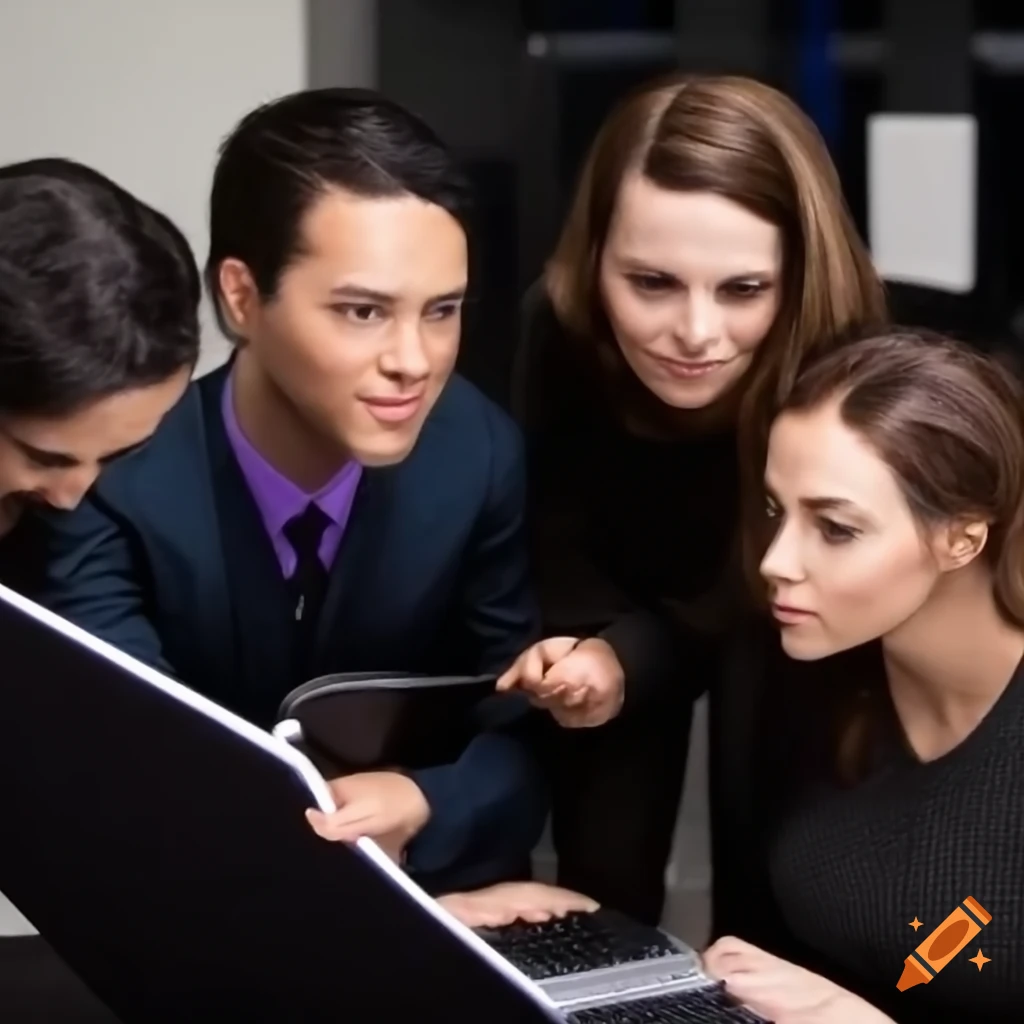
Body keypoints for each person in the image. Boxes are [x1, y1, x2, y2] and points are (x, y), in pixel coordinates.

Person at [32, 89, 546, 895]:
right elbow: (123, 749)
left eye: (442, 310)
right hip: (184, 909)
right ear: (241, 297)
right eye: (363, 311)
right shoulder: (114, 470)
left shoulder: (478, 454)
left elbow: (522, 735)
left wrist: (426, 801)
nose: (414, 361)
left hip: (430, 909)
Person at [498, 72, 887, 923]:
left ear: (797, 275)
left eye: (743, 289)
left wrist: (641, 650)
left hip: (791, 605)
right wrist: (606, 660)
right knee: (598, 858)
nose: (696, 334)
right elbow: (564, 561)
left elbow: (793, 581)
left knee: (781, 864)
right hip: (616, 591)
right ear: (595, 259)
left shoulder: (846, 352)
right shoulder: (556, 330)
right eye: (651, 283)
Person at [702, 331, 1023, 1024]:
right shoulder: (794, 665)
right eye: (776, 510)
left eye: (836, 528)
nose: (776, 562)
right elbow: (746, 954)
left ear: (962, 538)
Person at [0, 159, 200, 1021]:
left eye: (117, 456)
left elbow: (126, 724)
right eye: (44, 457)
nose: (75, 494)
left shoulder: (70, 516)